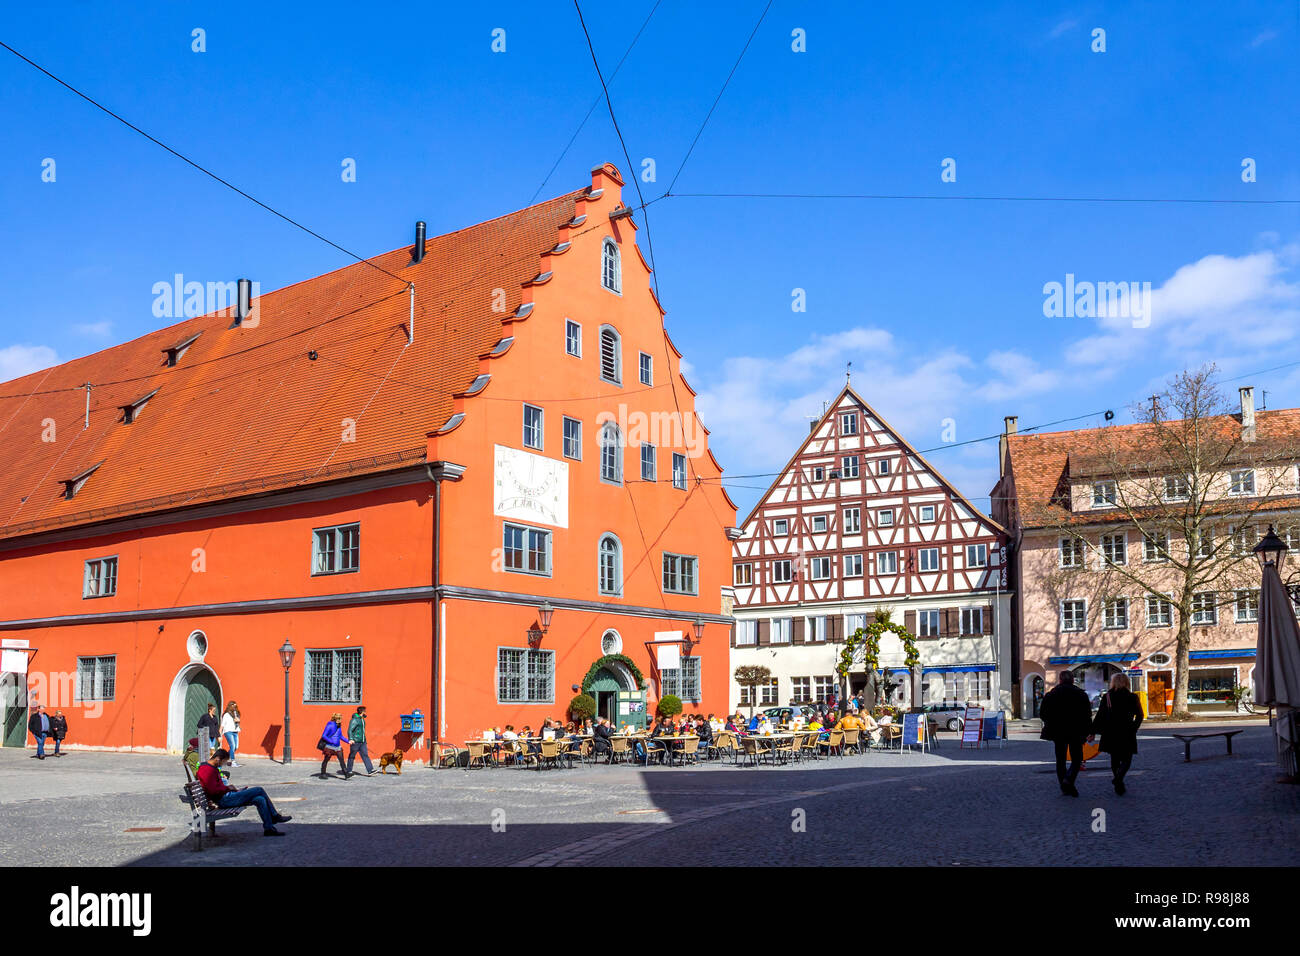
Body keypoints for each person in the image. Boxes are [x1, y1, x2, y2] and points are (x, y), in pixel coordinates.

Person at [197, 748, 291, 837]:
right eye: (223, 761)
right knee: (259, 790)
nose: (223, 764)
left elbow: (217, 787)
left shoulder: (212, 768)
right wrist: (228, 788)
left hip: (227, 796)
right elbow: (213, 791)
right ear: (217, 759)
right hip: (224, 800)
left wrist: (230, 788)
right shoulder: (206, 770)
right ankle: (275, 816)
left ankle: (269, 829)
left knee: (260, 799)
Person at [1039, 670, 1092, 797]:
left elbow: (1043, 714)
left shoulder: (1051, 694)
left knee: (1060, 759)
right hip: (1076, 731)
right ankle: (1068, 780)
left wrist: (1051, 723)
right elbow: (1087, 715)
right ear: (1073, 680)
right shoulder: (1080, 694)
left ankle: (1064, 784)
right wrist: (1089, 731)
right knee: (1077, 759)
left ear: (1060, 679)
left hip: (1058, 731)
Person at [1090, 672, 1144, 795]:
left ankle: (1118, 783)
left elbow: (1100, 716)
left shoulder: (1107, 696)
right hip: (1127, 731)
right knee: (1127, 758)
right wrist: (1134, 728)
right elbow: (1140, 715)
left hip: (1110, 731)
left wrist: (1093, 731)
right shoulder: (1132, 697)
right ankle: (1118, 779)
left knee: (1114, 758)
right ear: (1126, 682)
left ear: (1113, 683)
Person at [318, 712, 351, 779]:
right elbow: (324, 735)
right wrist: (331, 741)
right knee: (326, 760)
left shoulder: (338, 726)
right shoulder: (330, 725)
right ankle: (323, 774)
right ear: (336, 719)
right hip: (329, 747)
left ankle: (346, 774)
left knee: (341, 760)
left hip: (337, 747)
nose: (341, 720)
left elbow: (340, 736)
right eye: (340, 719)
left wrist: (348, 741)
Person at [346, 706, 375, 776]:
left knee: (365, 755)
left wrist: (364, 739)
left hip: (362, 741)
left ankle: (370, 770)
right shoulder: (355, 720)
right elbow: (350, 730)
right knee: (352, 756)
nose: (366, 712)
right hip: (355, 741)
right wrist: (351, 739)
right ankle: (349, 770)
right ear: (362, 711)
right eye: (365, 711)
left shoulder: (362, 719)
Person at [221, 701, 242, 767]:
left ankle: (224, 759)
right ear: (230, 706)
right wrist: (219, 733)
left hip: (235, 731)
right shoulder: (226, 714)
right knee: (232, 746)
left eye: (235, 706)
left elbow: (237, 722)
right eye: (233, 706)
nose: (234, 708)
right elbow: (222, 724)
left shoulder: (236, 714)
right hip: (228, 731)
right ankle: (233, 762)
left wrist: (238, 720)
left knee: (236, 747)